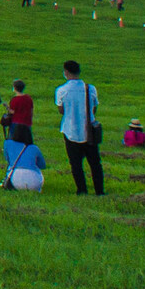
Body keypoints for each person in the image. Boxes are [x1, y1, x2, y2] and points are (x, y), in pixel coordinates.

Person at [55, 59, 104, 195]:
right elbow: (94, 109)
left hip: (70, 129)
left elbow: (61, 110)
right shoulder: (90, 88)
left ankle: (82, 189)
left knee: (76, 164)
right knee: (95, 163)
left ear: (66, 72)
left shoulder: (61, 90)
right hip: (89, 131)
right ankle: (99, 190)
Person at [5, 78, 35, 145]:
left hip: (16, 122)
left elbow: (12, 112)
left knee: (13, 141)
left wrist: (7, 107)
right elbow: (31, 110)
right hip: (27, 122)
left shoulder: (14, 99)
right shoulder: (28, 98)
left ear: (15, 88)